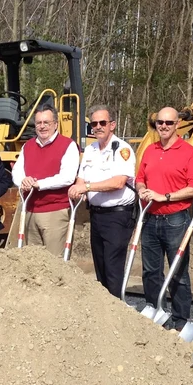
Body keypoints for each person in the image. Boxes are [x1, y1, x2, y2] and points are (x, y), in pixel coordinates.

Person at [135, 106, 193, 327]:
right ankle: (155, 310)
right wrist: (141, 189)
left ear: (177, 125)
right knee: (150, 270)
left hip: (175, 219)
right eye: (160, 123)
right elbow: (139, 178)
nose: (163, 126)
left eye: (168, 123)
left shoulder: (189, 153)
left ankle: (180, 319)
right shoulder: (150, 150)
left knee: (178, 272)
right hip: (149, 218)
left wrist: (165, 196)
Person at [68, 104, 135, 296]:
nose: (98, 127)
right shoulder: (90, 150)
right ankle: (106, 311)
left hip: (117, 217)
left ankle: (116, 310)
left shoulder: (122, 149)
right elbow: (82, 177)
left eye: (102, 123)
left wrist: (86, 187)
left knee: (113, 265)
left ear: (112, 125)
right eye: (94, 124)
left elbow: (118, 182)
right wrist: (76, 189)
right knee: (100, 265)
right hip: (96, 215)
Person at [11, 103, 81, 256]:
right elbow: (17, 170)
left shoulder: (68, 146)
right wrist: (23, 180)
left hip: (55, 212)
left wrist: (38, 184)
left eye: (46, 123)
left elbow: (67, 177)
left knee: (54, 261)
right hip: (30, 211)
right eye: (38, 123)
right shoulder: (28, 146)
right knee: (33, 261)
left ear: (55, 124)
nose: (42, 127)